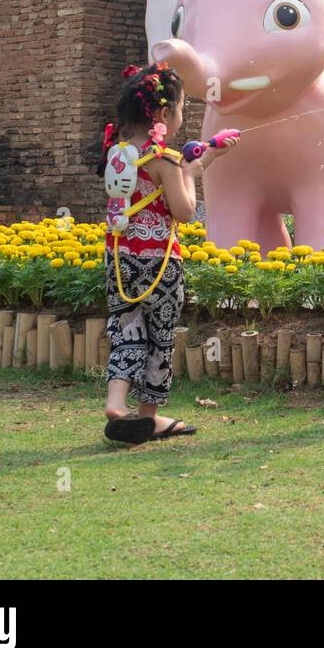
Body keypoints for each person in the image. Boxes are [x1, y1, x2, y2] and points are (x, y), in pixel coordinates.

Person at [97, 62, 239, 444]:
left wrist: (209, 155)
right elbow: (184, 210)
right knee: (159, 337)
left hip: (120, 258)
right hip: (160, 263)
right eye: (179, 110)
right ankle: (150, 415)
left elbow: (176, 176)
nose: (180, 117)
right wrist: (190, 172)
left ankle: (115, 402)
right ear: (163, 114)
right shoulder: (167, 159)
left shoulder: (118, 152)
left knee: (126, 330)